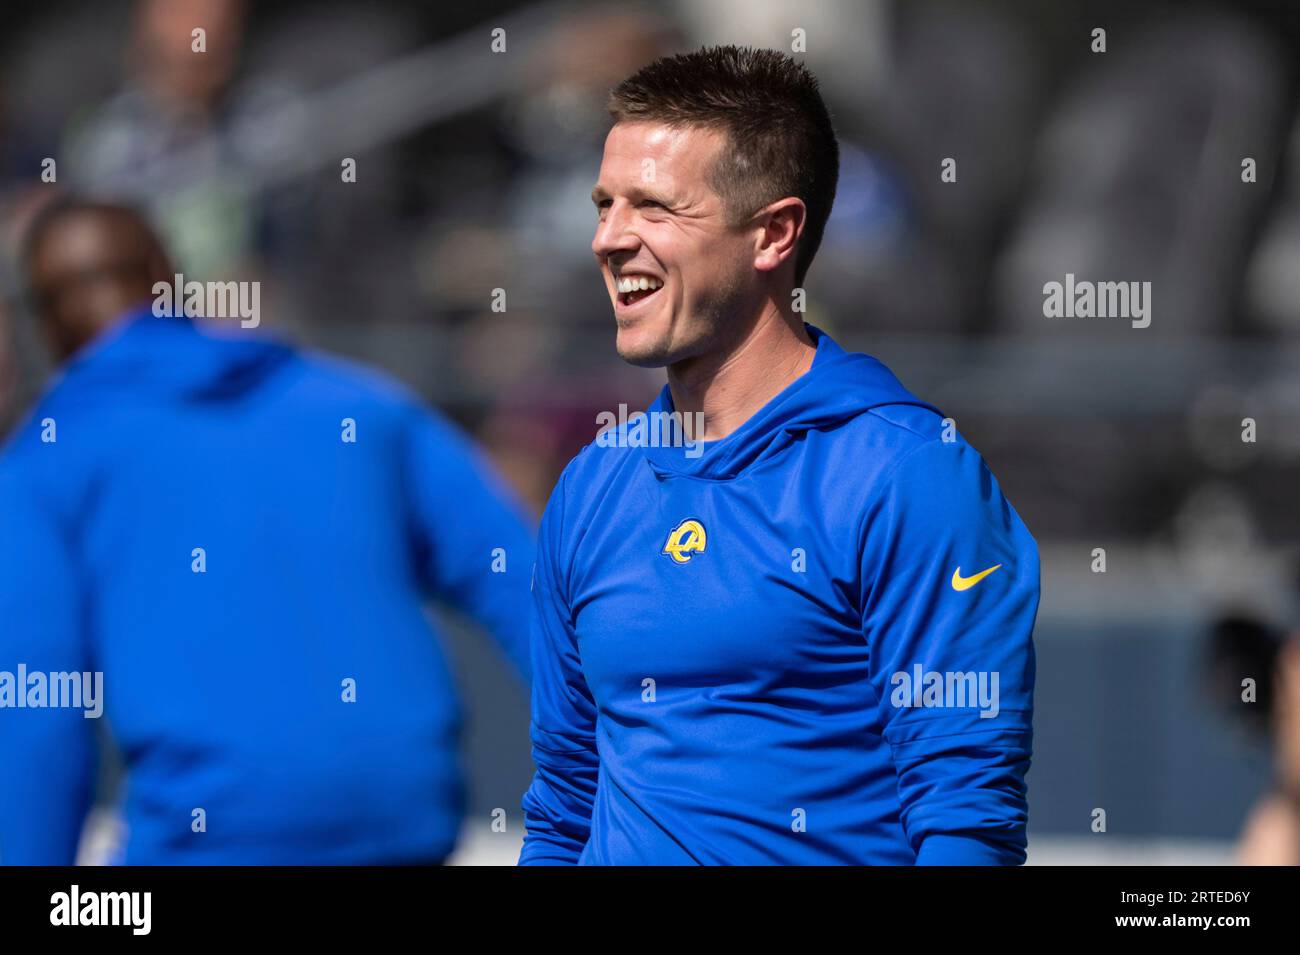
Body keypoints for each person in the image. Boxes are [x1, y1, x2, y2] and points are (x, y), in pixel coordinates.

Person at [519, 46, 1039, 865]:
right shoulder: (592, 485)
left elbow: (965, 816)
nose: (608, 240)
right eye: (604, 204)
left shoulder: (908, 474)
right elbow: (561, 805)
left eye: (654, 208)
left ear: (774, 233)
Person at [0, 199, 534, 864]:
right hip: (410, 824)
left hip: (213, 841)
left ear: (43, 322)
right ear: (169, 275)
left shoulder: (42, 463)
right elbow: (532, 593)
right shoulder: (362, 404)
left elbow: (35, 714)